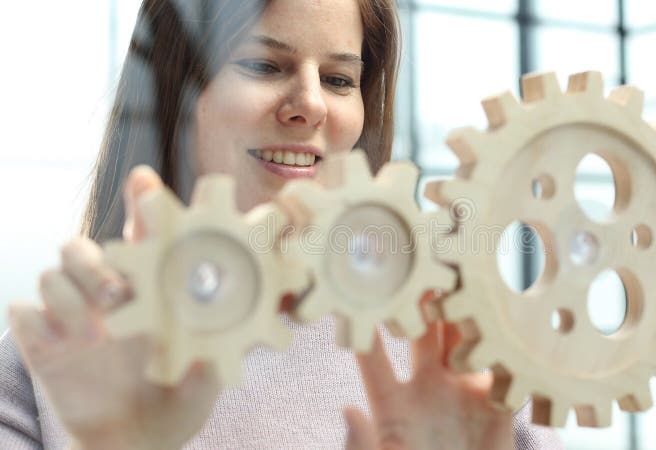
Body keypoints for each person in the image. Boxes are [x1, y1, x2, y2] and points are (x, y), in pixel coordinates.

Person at [0, 1, 563, 448]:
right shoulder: (51, 362)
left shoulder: (447, 346)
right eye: (264, 65)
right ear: (177, 87)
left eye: (341, 79)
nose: (311, 105)